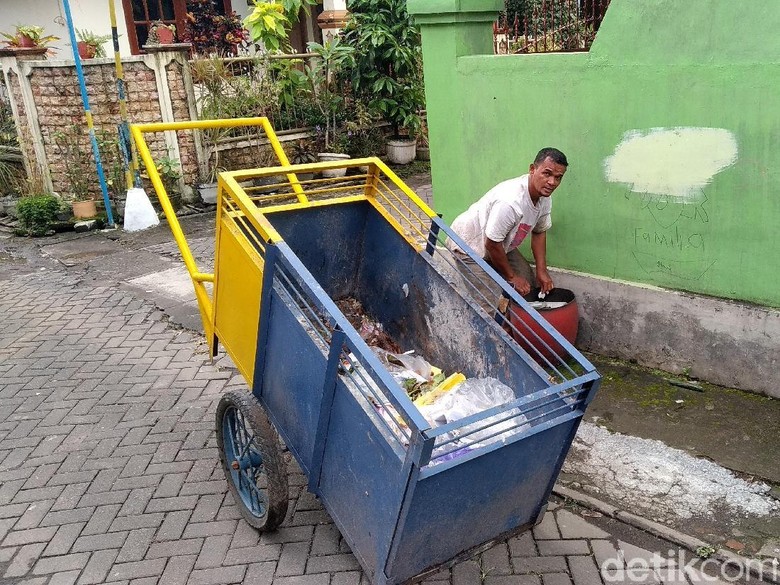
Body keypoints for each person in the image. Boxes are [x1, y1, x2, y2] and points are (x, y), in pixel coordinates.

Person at [446, 147, 568, 309]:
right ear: (532, 169)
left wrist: (542, 270)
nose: (552, 182)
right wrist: (511, 277)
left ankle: (514, 321)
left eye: (558, 177)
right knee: (490, 302)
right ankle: (499, 329)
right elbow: (491, 244)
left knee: (527, 283)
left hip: (500, 243)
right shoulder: (511, 202)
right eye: (547, 174)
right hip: (468, 243)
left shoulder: (544, 197)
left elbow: (539, 232)